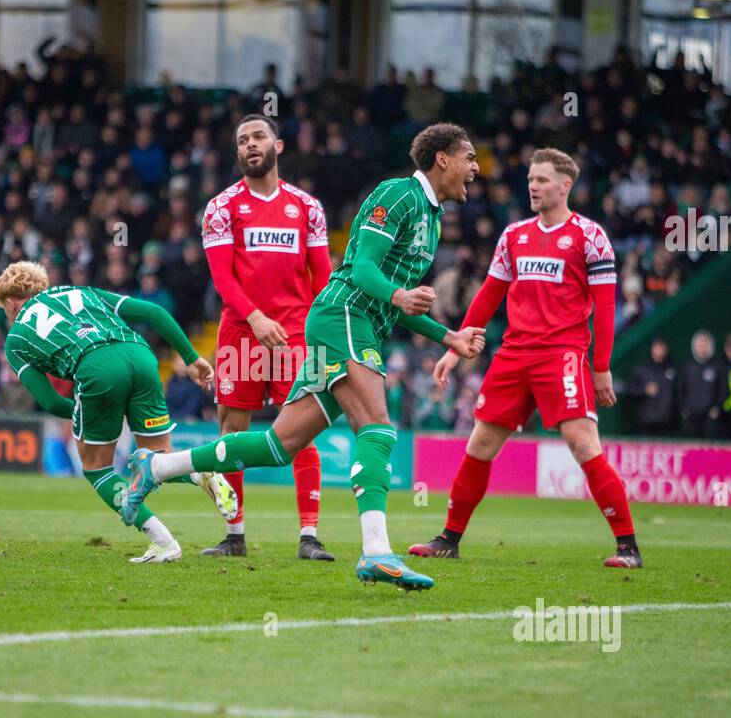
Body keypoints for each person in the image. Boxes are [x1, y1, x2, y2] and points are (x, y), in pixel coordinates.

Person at [120, 123, 486, 591]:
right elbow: (364, 271)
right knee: (376, 426)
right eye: (469, 158)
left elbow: (397, 300)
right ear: (442, 159)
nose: (475, 169)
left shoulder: (431, 221)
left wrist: (447, 336)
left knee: (278, 445)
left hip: (337, 322)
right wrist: (397, 296)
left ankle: (156, 468)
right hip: (342, 317)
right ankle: (376, 551)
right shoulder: (398, 195)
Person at [407, 147, 642, 569]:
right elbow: (488, 296)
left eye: (542, 180)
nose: (533, 186)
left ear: (565, 185)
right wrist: (454, 348)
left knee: (582, 443)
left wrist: (601, 367)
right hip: (514, 353)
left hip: (562, 354)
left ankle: (628, 546)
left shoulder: (590, 236)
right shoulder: (513, 236)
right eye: (531, 179)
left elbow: (605, 308)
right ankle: (449, 538)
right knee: (480, 442)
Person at [0, 262, 236, 563]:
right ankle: (199, 470)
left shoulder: (16, 339)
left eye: (4, 308)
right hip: (141, 356)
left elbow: (52, 403)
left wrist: (93, 413)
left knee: (98, 469)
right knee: (156, 458)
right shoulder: (77, 291)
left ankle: (163, 542)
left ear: (12, 302)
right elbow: (155, 314)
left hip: (97, 368)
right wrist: (191, 357)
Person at [201, 115, 335, 560]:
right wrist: (256, 318)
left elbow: (323, 278)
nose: (250, 145)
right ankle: (235, 536)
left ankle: (309, 537)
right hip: (241, 333)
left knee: (302, 432)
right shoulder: (221, 207)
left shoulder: (307, 207)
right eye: (242, 141)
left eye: (258, 137)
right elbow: (223, 278)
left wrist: (326, 334)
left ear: (278, 145)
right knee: (233, 431)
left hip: (296, 335)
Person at [677, 330, 727, 439]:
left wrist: (717, 408)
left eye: (705, 346)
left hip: (710, 417)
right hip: (691, 417)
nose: (702, 349)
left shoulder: (718, 366)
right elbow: (680, 390)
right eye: (700, 346)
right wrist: (684, 408)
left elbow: (723, 390)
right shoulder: (687, 367)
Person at [629, 338, 677, 437]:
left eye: (662, 348)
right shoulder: (641, 369)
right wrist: (645, 390)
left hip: (667, 423)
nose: (659, 351)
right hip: (646, 423)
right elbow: (631, 391)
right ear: (652, 350)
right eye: (657, 348)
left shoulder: (673, 368)